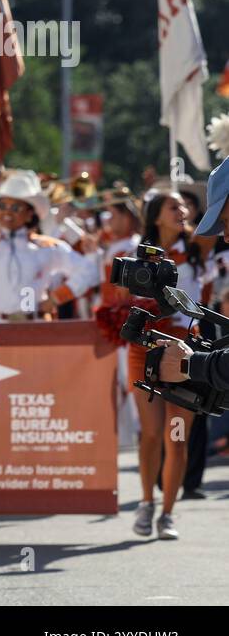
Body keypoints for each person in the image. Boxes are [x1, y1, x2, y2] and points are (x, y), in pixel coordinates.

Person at [0, 136, 96, 322]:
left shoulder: (46, 247)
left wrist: (53, 300)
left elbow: (88, 271)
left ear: (30, 214)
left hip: (33, 330)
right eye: (3, 206)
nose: (7, 213)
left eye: (15, 207)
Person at [121, 189, 203, 540]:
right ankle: (146, 502)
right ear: (156, 216)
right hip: (146, 348)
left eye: (184, 205)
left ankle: (168, 513)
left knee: (178, 436)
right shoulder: (136, 255)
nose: (183, 210)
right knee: (152, 433)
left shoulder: (200, 249)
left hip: (186, 351)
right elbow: (122, 299)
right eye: (174, 206)